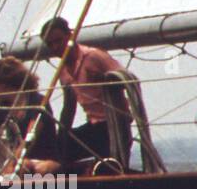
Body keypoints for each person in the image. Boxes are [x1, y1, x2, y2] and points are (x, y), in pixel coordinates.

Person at [40, 17, 133, 171]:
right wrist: (62, 136)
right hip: (94, 125)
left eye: (58, 40)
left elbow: (127, 80)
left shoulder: (94, 56)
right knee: (57, 148)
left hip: (114, 125)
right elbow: (69, 106)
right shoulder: (62, 69)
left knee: (110, 167)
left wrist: (104, 79)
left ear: (70, 35)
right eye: (50, 44)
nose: (56, 47)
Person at [0, 57, 62, 175]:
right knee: (19, 166)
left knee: (23, 166)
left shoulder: (37, 101)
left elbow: (29, 140)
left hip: (45, 160)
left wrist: (10, 165)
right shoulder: (2, 106)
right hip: (19, 160)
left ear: (4, 83)